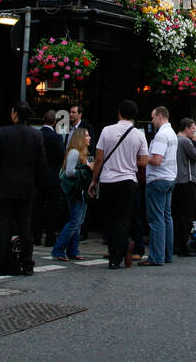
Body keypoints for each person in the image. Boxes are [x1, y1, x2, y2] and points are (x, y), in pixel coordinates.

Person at [0, 102, 48, 276]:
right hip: (26, 187)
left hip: (3, 187)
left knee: (2, 226)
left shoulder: (2, 132)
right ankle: (27, 264)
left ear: (14, 114)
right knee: (25, 226)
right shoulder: (36, 135)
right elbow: (42, 163)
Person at [89, 99, 150, 270]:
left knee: (108, 219)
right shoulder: (139, 134)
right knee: (123, 220)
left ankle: (114, 249)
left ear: (119, 113)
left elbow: (99, 158)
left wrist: (94, 180)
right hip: (128, 180)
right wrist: (130, 160)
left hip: (108, 180)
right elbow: (144, 161)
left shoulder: (107, 131)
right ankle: (117, 257)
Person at [141, 106, 178, 265]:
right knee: (166, 217)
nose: (152, 121)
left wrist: (143, 157)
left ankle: (156, 257)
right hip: (169, 178)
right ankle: (166, 255)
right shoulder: (172, 133)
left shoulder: (162, 135)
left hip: (158, 179)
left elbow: (156, 159)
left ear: (160, 116)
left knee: (156, 219)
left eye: (153, 117)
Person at [51, 128, 93, 262]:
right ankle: (58, 250)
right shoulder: (74, 152)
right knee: (74, 222)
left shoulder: (83, 153)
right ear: (80, 138)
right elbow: (69, 172)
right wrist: (86, 169)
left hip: (81, 192)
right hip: (75, 192)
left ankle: (73, 251)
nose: (89, 138)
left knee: (78, 222)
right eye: (86, 136)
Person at [174, 118, 196, 255]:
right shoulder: (185, 141)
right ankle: (182, 245)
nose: (194, 131)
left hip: (176, 181)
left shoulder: (175, 139)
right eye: (193, 128)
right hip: (187, 180)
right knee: (186, 216)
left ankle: (175, 244)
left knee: (177, 214)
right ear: (186, 128)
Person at [38, 109, 66, 246]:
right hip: (53, 176)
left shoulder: (37, 134)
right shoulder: (57, 137)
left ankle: (36, 236)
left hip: (39, 176)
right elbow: (62, 156)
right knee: (52, 208)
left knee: (37, 207)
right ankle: (50, 238)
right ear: (55, 122)